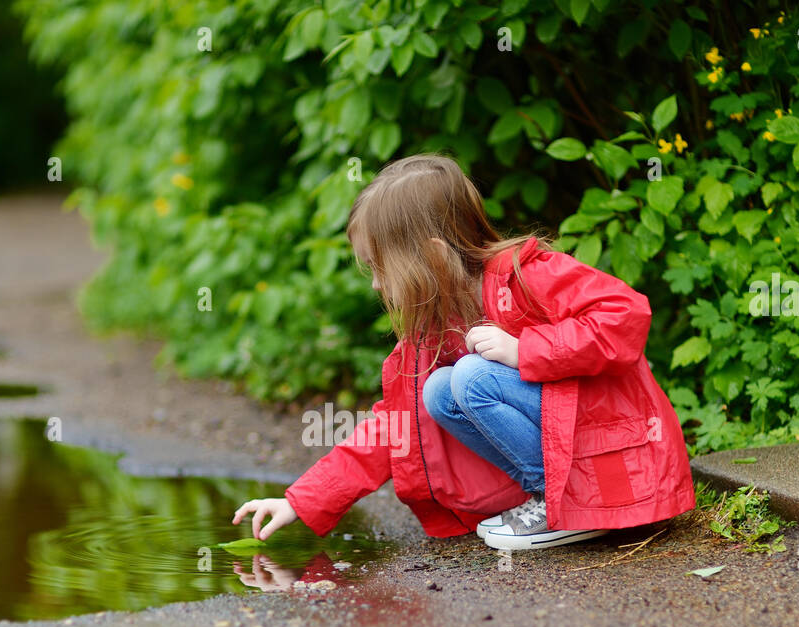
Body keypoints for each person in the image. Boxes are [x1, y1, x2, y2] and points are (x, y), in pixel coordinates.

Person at [233, 153, 693, 550]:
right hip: (566, 446)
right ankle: (549, 497)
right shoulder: (438, 321)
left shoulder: (527, 276)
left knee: (472, 377)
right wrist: (303, 499)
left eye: (380, 267)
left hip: (614, 454)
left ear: (432, 256)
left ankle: (563, 503)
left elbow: (626, 316)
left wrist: (524, 349)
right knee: (435, 391)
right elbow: (395, 426)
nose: (375, 283)